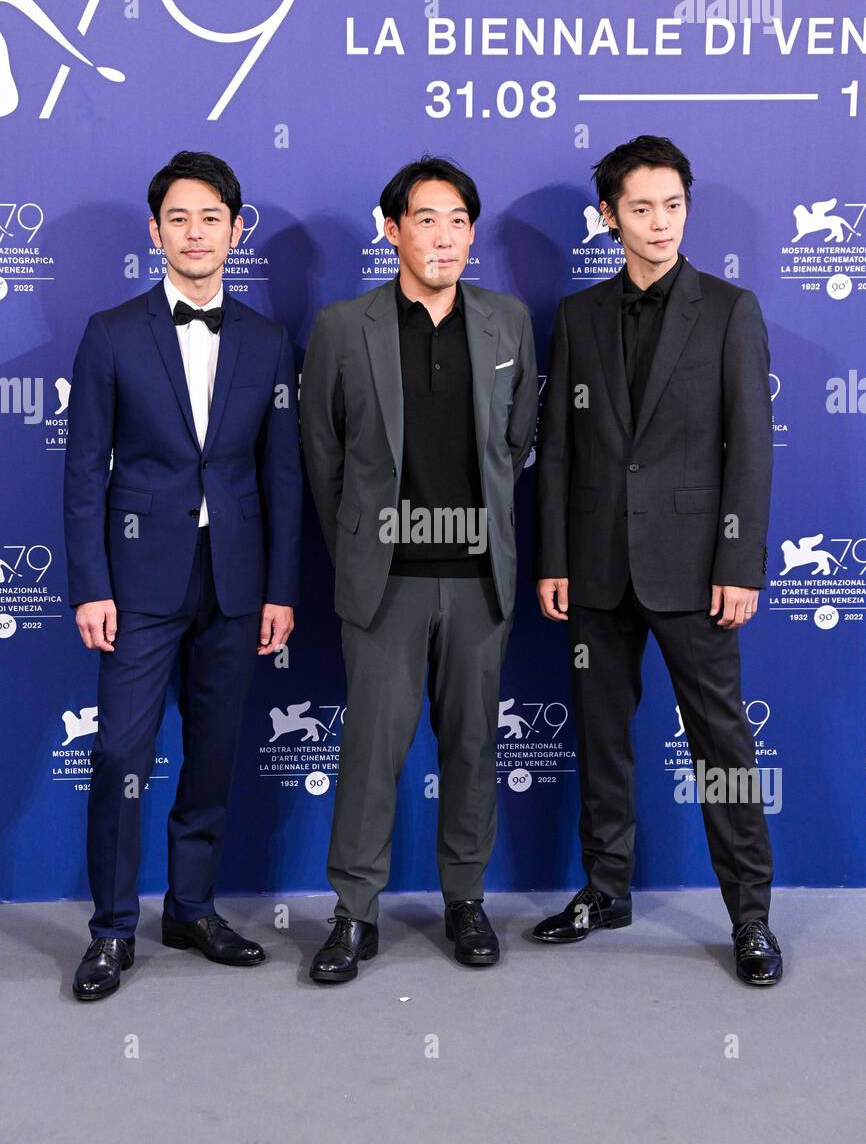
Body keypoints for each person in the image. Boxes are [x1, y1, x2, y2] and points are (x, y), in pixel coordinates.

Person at [533, 135, 781, 985]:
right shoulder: (578, 316)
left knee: (723, 745)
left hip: (696, 569)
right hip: (596, 567)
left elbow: (750, 448)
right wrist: (556, 558)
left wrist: (740, 564)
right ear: (609, 217)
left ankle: (750, 914)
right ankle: (605, 891)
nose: (661, 222)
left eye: (673, 204)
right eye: (641, 208)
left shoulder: (729, 309)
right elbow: (559, 452)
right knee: (602, 740)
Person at [64, 150, 301, 1000]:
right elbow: (84, 469)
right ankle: (111, 929)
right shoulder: (112, 333)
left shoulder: (268, 341)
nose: (195, 234)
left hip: (235, 585)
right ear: (155, 230)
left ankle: (192, 908)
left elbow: (283, 479)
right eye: (179, 219)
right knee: (121, 752)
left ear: (237, 231)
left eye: (211, 218)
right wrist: (91, 584)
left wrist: (280, 589)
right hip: (137, 583)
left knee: (213, 753)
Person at [300, 156, 538, 981]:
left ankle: (465, 901)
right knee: (369, 751)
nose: (445, 236)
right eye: (427, 219)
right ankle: (354, 914)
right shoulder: (342, 327)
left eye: (459, 221)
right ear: (393, 228)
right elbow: (324, 460)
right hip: (386, 581)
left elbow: (517, 444)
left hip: (480, 578)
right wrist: (364, 551)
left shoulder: (509, 322)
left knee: (473, 745)